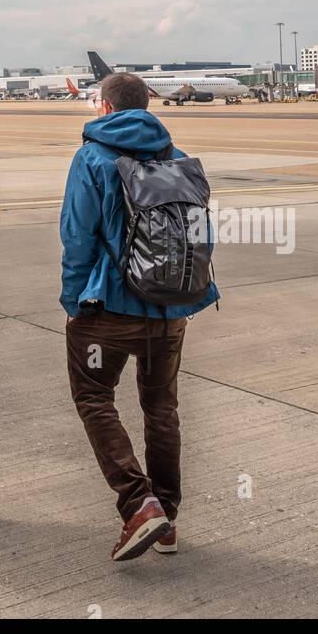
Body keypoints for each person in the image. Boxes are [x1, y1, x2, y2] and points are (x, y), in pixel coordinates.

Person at [60, 72, 220, 563]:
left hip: (108, 307)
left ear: (105, 107)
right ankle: (166, 519)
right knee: (162, 409)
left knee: (93, 396)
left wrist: (73, 303)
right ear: (146, 103)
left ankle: (139, 503)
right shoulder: (176, 156)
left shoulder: (92, 157)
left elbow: (78, 237)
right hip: (171, 308)